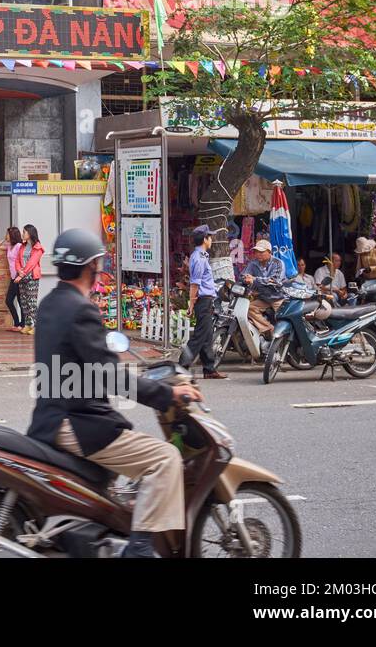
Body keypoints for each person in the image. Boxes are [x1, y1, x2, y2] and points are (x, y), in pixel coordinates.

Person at [27, 228, 201, 559]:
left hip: (50, 418)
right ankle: (138, 549)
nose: (100, 268)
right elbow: (112, 377)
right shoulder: (81, 309)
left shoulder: (50, 303)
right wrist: (168, 395)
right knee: (165, 459)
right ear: (88, 266)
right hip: (77, 423)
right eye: (99, 263)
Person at [179, 225, 227, 380]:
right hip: (203, 300)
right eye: (210, 237)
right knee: (200, 335)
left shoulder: (201, 256)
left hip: (206, 300)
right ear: (205, 239)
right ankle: (181, 366)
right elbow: (195, 284)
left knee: (207, 335)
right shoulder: (199, 258)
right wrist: (191, 304)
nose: (211, 239)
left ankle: (209, 368)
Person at [0, 226, 25, 328]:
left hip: (19, 277)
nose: (6, 235)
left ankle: (22, 324)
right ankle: (17, 323)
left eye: (7, 234)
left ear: (12, 235)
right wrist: (4, 239)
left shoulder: (19, 246)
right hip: (13, 278)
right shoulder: (9, 246)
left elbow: (22, 261)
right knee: (9, 301)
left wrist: (19, 275)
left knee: (20, 302)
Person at [15, 224, 44, 335]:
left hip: (32, 277)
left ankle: (36, 326)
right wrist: (19, 271)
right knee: (24, 302)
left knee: (32, 302)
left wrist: (21, 274)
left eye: (24, 232)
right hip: (22, 275)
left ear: (30, 233)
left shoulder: (38, 247)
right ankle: (28, 325)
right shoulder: (22, 246)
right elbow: (17, 260)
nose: (22, 234)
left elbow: (32, 263)